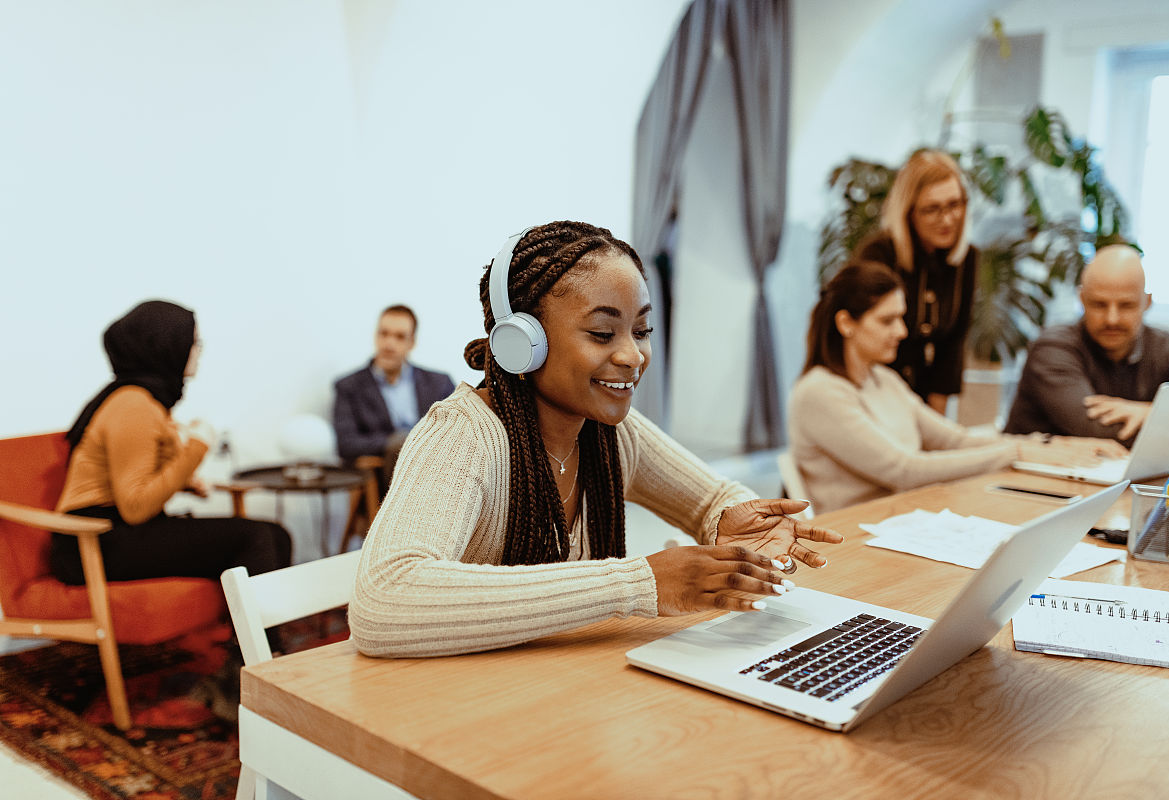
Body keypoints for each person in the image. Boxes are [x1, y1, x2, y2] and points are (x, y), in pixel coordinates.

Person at [349, 221, 843, 658]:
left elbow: (714, 498)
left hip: (560, 693)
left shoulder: (609, 433)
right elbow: (384, 599)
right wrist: (638, 583)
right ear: (523, 343)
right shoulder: (462, 436)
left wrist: (729, 520)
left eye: (642, 329)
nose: (633, 356)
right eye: (603, 334)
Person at [787, 262, 1125, 514]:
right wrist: (1015, 452)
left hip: (904, 520)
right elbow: (905, 470)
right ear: (846, 323)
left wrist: (1045, 443)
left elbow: (955, 440)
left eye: (901, 318)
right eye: (887, 320)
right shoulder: (819, 393)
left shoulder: (884, 380)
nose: (902, 331)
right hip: (855, 540)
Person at [52, 301, 293, 592]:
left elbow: (130, 480)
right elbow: (135, 508)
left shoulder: (146, 400)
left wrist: (185, 482)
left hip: (120, 531)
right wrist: (198, 446)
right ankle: (254, 624)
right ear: (167, 347)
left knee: (276, 535)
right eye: (193, 342)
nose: (198, 351)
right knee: (255, 537)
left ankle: (250, 622)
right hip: (94, 540)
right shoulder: (133, 404)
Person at [1004, 244, 1169, 444]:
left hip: (1116, 463)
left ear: (1147, 302)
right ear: (1082, 299)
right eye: (1099, 304)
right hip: (1031, 463)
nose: (1111, 319)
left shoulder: (1162, 345)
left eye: (1126, 305)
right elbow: (1095, 430)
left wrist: (1149, 412)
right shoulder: (1053, 347)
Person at [854, 149, 977, 414]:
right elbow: (861, 342)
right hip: (872, 393)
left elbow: (951, 347)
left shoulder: (966, 259)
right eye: (932, 209)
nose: (947, 219)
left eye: (955, 205)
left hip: (921, 396)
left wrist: (935, 425)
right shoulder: (879, 255)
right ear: (909, 212)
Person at [332, 304, 455, 484]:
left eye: (399, 337)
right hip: (384, 476)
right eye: (384, 334)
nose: (389, 344)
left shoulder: (439, 383)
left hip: (437, 466)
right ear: (375, 336)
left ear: (412, 342)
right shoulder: (349, 387)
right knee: (399, 445)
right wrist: (396, 442)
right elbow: (346, 444)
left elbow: (456, 432)